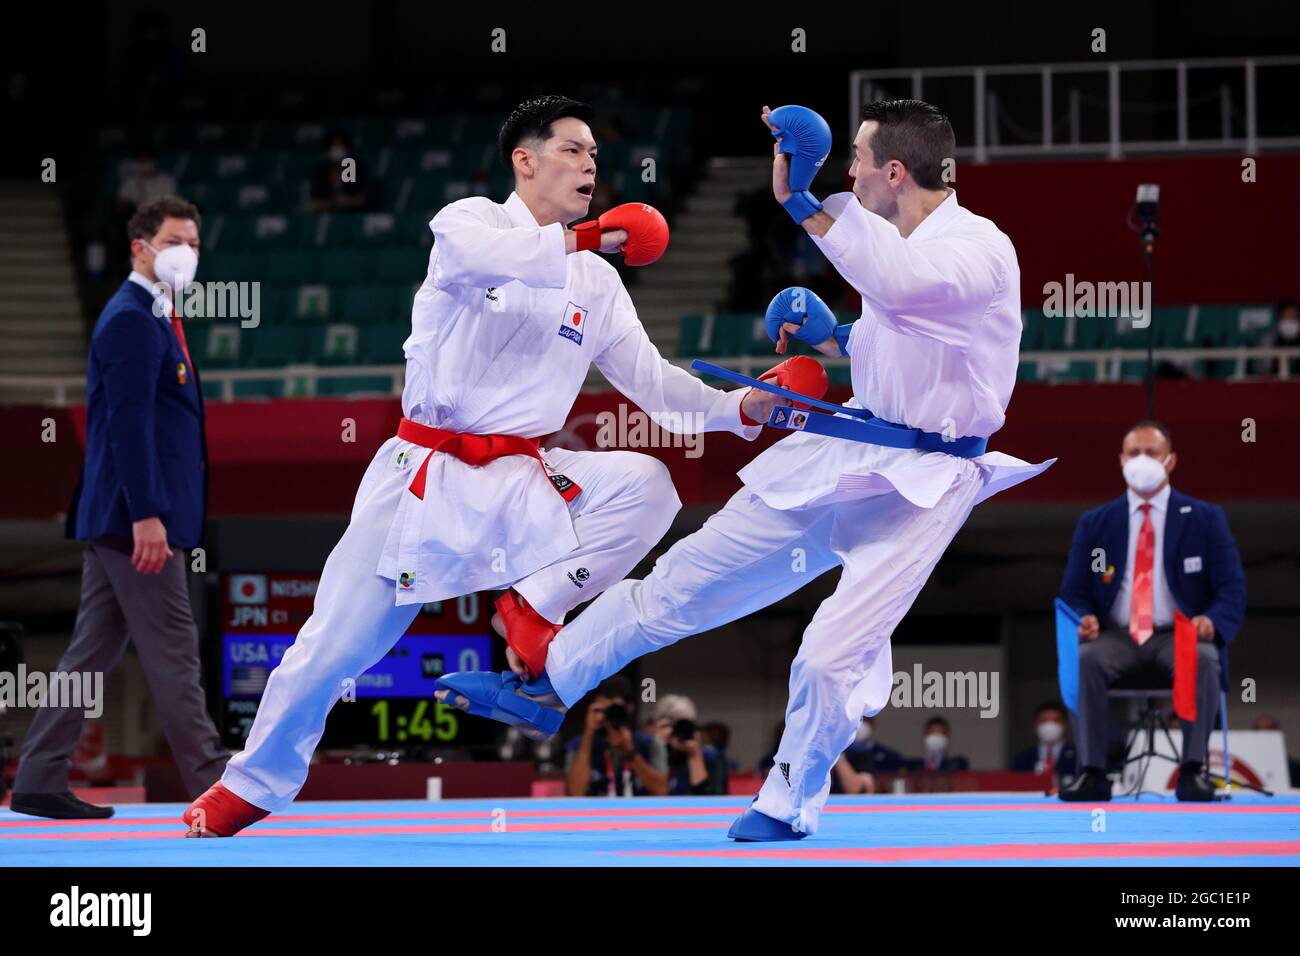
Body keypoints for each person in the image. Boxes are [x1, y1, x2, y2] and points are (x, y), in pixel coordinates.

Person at [439, 99, 1054, 841]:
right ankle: (545, 686)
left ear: (895, 171)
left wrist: (799, 201)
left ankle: (789, 799)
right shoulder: (898, 238)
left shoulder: (979, 249)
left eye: (856, 160)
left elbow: (910, 290)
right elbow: (907, 333)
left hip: (923, 485)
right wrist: (838, 340)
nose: (848, 172)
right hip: (847, 447)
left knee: (831, 656)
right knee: (680, 582)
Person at [182, 95, 784, 836]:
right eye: (571, 149)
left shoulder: (596, 282)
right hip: (425, 475)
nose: (589, 163)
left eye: (595, 153)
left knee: (646, 485)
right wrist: (585, 237)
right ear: (524, 161)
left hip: (525, 479)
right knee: (333, 648)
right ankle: (252, 785)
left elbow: (657, 386)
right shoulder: (468, 223)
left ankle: (534, 606)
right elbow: (479, 260)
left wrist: (740, 410)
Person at [11, 197, 229, 820]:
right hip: (134, 519)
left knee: (91, 652)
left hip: (122, 515)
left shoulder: (154, 315)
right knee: (174, 649)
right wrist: (147, 514)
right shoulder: (132, 319)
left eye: (194, 240)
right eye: (174, 239)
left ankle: (38, 775)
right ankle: (214, 785)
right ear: (140, 246)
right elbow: (128, 429)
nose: (187, 252)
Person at [1057, 420, 1247, 802]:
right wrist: (1086, 617)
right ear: (1121, 460)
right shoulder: (1096, 524)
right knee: (1087, 658)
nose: (1142, 460)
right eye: (1135, 453)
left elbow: (1232, 589)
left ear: (1171, 461)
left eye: (1152, 453)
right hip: (1116, 637)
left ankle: (1193, 771)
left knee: (1203, 656)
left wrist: (1211, 620)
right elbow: (1075, 591)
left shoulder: (1205, 519)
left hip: (1177, 634)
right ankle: (1093, 771)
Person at [566, 676, 666, 797]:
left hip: (640, 814)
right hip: (595, 814)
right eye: (609, 709)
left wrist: (630, 752)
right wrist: (588, 734)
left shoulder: (649, 743)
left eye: (619, 709)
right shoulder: (578, 745)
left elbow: (662, 790)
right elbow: (576, 793)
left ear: (631, 708)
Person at [831, 716, 903, 794]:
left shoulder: (861, 751)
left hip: (843, 804)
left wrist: (838, 754)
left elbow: (857, 789)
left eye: (864, 719)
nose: (861, 724)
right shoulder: (819, 745)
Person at [1010, 701, 1078, 783]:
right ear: (1035, 724)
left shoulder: (1078, 757)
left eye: (1056, 721)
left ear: (1065, 724)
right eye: (1044, 720)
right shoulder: (1022, 759)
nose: (1050, 726)